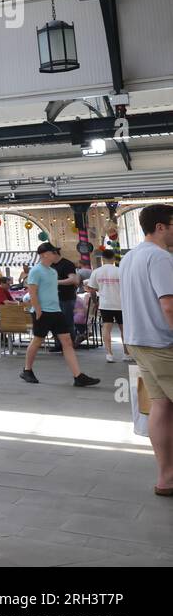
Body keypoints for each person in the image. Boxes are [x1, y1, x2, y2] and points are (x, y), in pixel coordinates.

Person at [119, 204, 173, 497]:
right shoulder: (160, 257)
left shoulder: (130, 257)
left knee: (161, 405)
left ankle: (166, 477)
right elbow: (169, 305)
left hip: (138, 341)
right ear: (161, 227)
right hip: (163, 343)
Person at [20, 243, 99, 387]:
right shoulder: (36, 271)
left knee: (67, 342)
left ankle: (78, 376)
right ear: (44, 254)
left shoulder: (52, 272)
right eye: (52, 252)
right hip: (42, 312)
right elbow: (32, 292)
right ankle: (27, 370)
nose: (55, 254)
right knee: (38, 341)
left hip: (56, 311)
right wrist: (38, 310)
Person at [86, 249, 131, 364]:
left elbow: (92, 289)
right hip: (120, 304)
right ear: (114, 258)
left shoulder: (96, 272)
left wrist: (95, 302)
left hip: (105, 304)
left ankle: (109, 354)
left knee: (106, 328)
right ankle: (126, 354)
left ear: (102, 258)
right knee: (123, 329)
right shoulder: (120, 270)